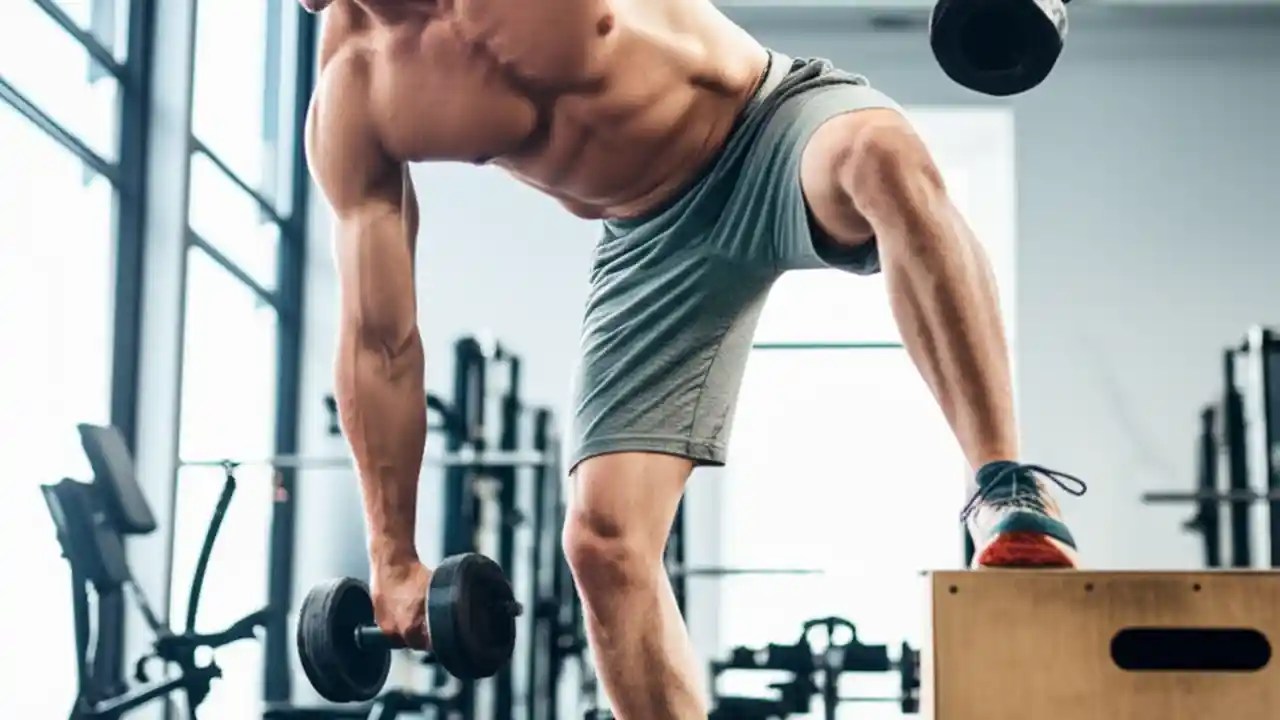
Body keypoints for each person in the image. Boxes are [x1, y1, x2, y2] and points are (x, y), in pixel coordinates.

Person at [302, 0, 1088, 717]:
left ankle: (1004, 485)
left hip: (769, 124)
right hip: (650, 243)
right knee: (603, 544)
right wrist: (393, 558)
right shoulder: (358, 90)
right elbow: (380, 344)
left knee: (878, 153)